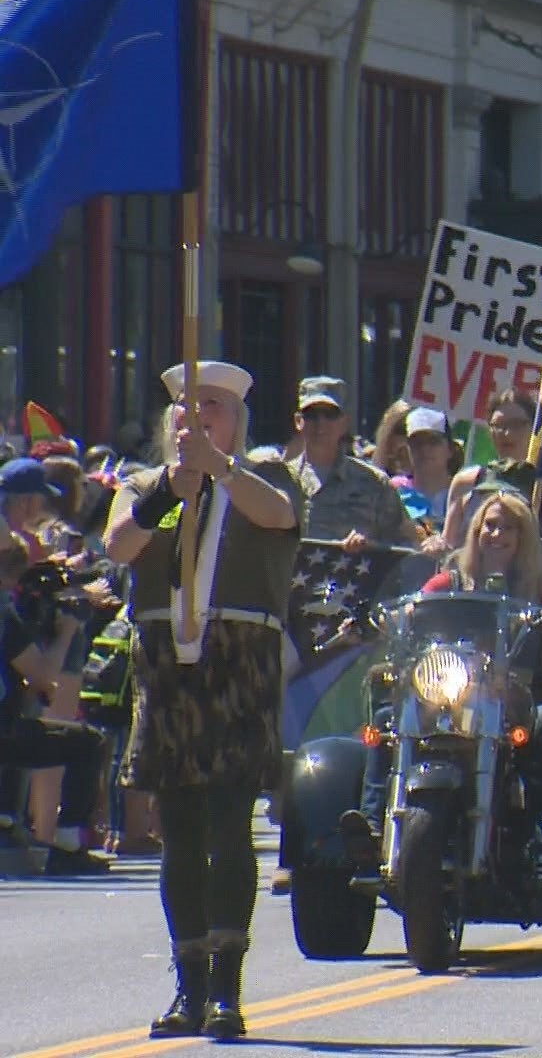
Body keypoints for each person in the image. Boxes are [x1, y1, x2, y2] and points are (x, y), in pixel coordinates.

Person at [103, 360, 304, 1040]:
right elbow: (120, 544)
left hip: (236, 663)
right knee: (180, 833)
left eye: (213, 405)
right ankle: (187, 986)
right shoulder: (140, 485)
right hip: (166, 666)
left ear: (236, 419)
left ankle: (227, 989)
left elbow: (278, 517)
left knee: (228, 822)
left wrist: (218, 469)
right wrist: (168, 489)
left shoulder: (264, 479)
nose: (199, 416)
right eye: (188, 407)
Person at [339, 492, 542, 879]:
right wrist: (378, 623)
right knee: (388, 719)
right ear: (476, 531)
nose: (496, 534)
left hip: (514, 696)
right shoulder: (448, 581)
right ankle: (372, 824)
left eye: (508, 527)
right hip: (447, 692)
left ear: (524, 537)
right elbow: (410, 612)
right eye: (489, 525)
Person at [0, 528, 109, 874]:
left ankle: (6, 821)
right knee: (89, 743)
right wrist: (65, 633)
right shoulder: (4, 620)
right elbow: (44, 676)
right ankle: (66, 843)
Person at [285, 377, 415, 552]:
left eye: (330, 415)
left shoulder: (374, 483)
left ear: (344, 422)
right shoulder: (280, 479)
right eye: (312, 415)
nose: (320, 423)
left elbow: (404, 546)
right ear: (298, 421)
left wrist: (369, 548)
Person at [443, 390, 538, 553]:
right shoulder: (466, 482)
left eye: (516, 425)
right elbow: (448, 544)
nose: (506, 434)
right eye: (498, 426)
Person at [392, 407, 457, 537]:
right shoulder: (394, 492)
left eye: (433, 441)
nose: (424, 448)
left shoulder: (464, 493)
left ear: (450, 449)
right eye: (416, 442)